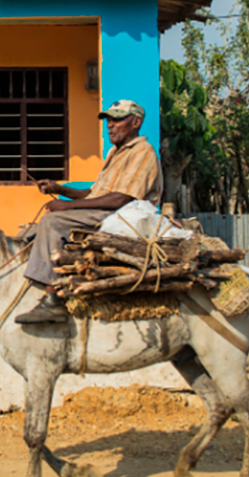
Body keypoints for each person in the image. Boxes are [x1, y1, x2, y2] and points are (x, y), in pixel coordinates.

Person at [15, 99, 163, 324]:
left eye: (117, 120)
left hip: (123, 218)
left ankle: (53, 300)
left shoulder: (143, 152)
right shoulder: (115, 152)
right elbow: (95, 195)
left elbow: (121, 199)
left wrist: (66, 206)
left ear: (136, 122)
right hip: (107, 212)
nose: (110, 125)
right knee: (28, 232)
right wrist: (60, 189)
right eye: (108, 120)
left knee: (52, 223)